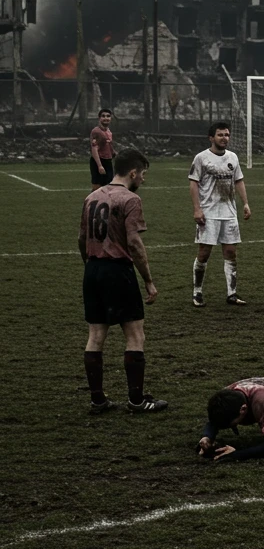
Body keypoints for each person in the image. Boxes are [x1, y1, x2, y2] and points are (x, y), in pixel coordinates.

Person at [78, 148, 167, 414]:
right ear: (133, 172)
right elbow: (135, 243)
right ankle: (137, 400)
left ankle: (97, 400)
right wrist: (148, 280)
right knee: (135, 334)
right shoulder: (130, 199)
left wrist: (91, 267)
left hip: (92, 271)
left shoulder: (91, 197)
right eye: (143, 175)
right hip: (118, 271)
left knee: (95, 336)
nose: (143, 180)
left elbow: (81, 239)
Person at [189, 121, 251, 307]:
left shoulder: (233, 157)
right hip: (208, 213)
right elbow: (193, 183)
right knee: (204, 253)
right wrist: (197, 209)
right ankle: (197, 292)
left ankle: (231, 294)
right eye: (220, 135)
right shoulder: (201, 158)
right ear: (211, 138)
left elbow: (238, 180)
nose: (225, 138)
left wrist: (245, 204)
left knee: (231, 253)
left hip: (229, 212)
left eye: (227, 135)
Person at [89, 108, 115, 187]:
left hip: (108, 161)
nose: (106, 118)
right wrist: (100, 166)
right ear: (99, 118)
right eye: (103, 116)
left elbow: (108, 146)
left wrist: (114, 153)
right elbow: (94, 149)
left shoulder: (108, 131)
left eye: (108, 116)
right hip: (99, 160)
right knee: (97, 188)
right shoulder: (96, 131)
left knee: (108, 187)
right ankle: (91, 200)